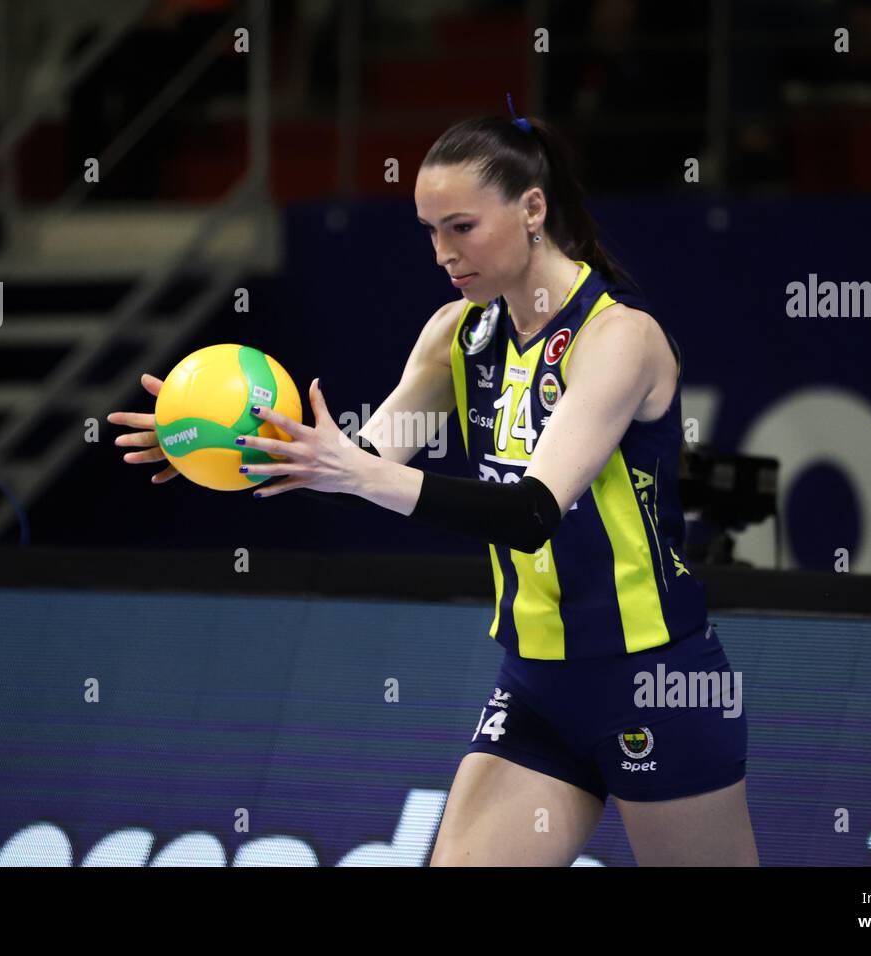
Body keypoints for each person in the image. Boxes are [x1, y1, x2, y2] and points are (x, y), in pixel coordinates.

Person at [108, 99, 758, 866]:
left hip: (654, 680)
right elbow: (357, 460)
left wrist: (361, 472)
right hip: (537, 687)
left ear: (532, 210)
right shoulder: (458, 334)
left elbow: (531, 513)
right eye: (429, 230)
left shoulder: (619, 338)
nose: (444, 253)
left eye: (462, 227)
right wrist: (218, 442)